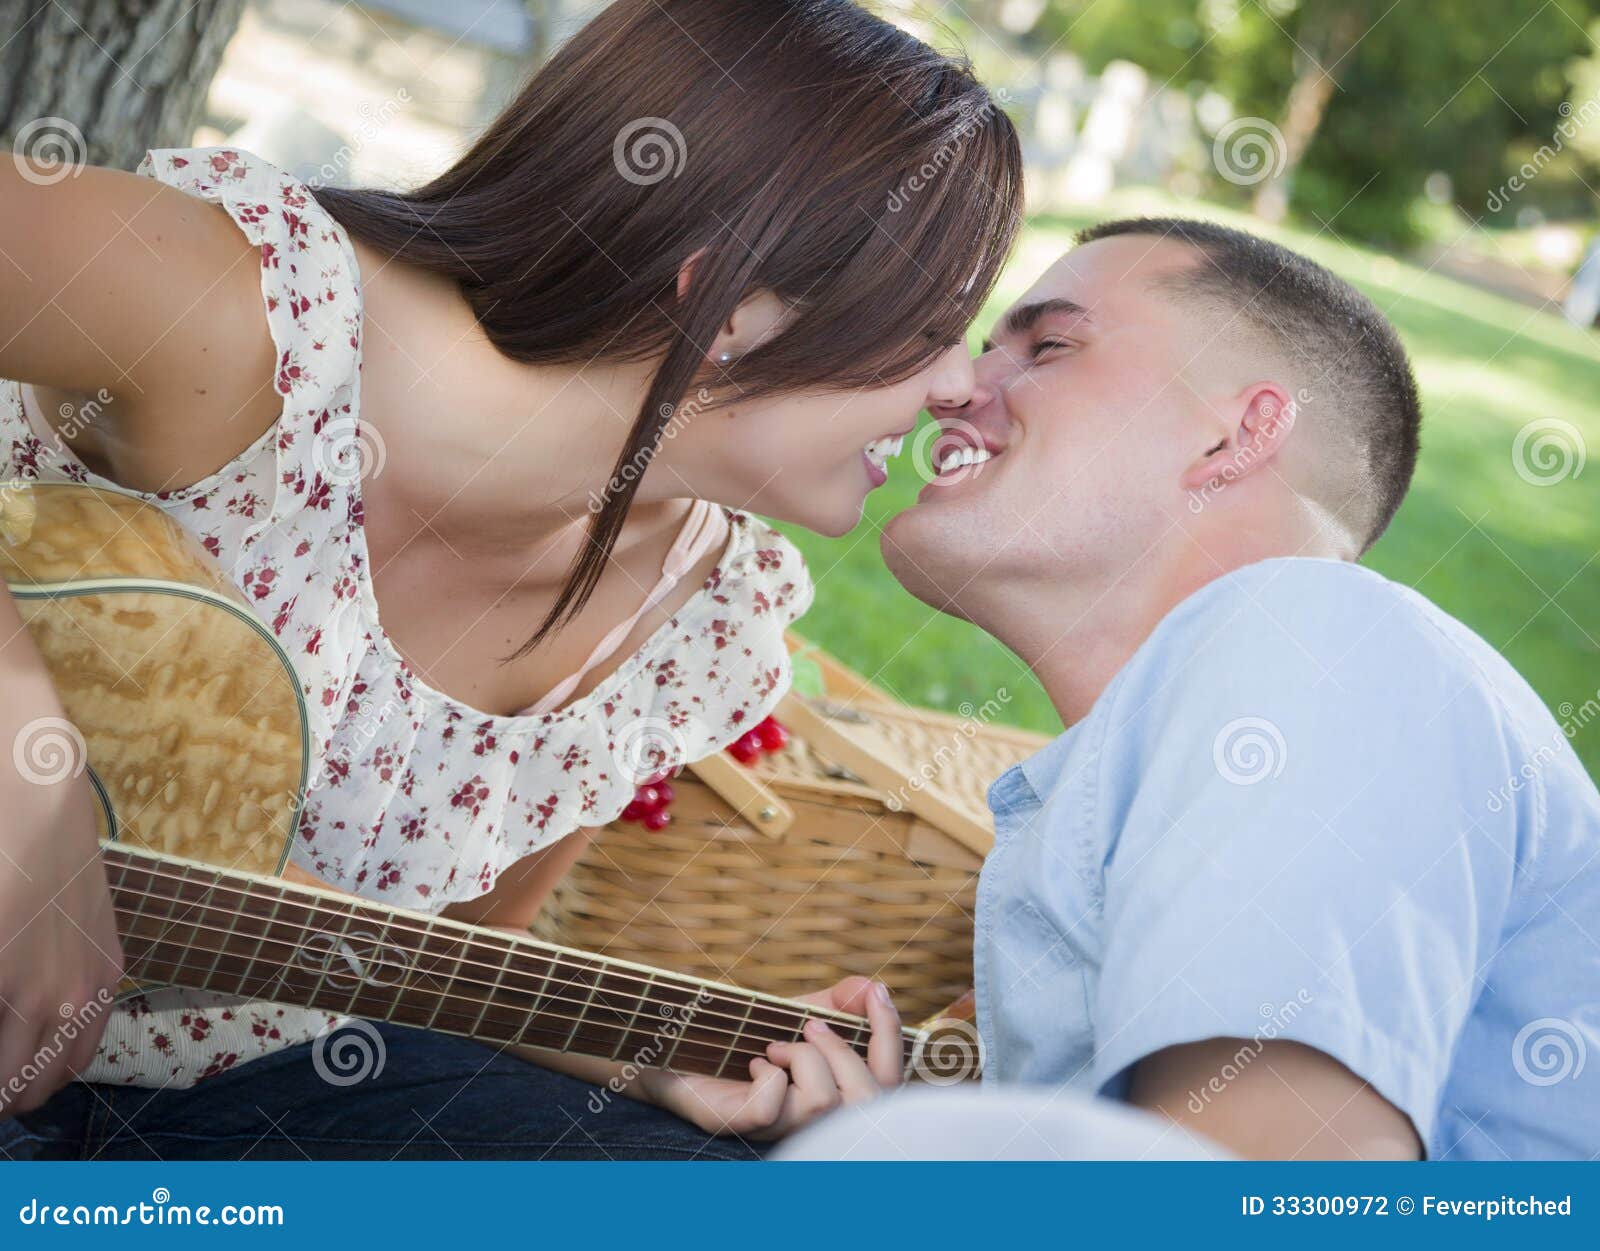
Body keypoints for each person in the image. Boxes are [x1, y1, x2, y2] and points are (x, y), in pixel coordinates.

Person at [0, 0, 1020, 1159]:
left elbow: (424, 972)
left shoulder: (687, 616)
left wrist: (650, 1065)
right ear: (727, 301)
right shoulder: (258, 319)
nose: (958, 385)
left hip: (210, 1100)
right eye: (934, 325)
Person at [843, 217, 1600, 1160]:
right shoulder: (1200, 725)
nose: (952, 387)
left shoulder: (1316, 637)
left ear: (1235, 435)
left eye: (1049, 346)